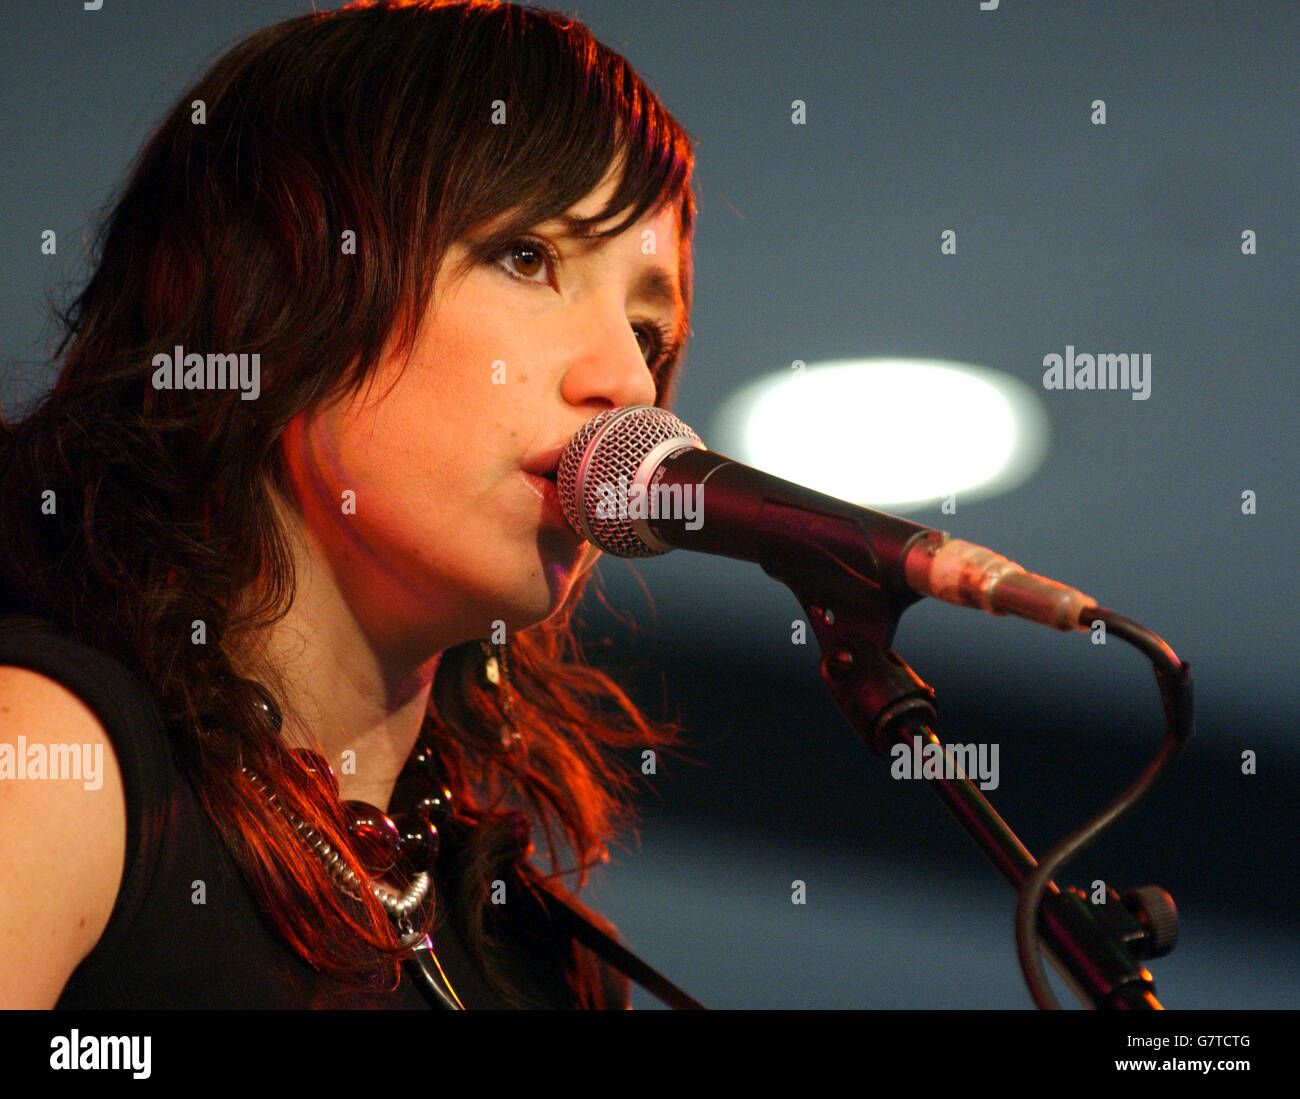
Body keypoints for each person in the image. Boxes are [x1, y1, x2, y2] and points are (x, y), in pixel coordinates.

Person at [0, 0, 696, 1009]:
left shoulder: (537, 960)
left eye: (650, 332)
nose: (628, 386)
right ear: (281, 287)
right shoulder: (56, 767)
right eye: (528, 258)